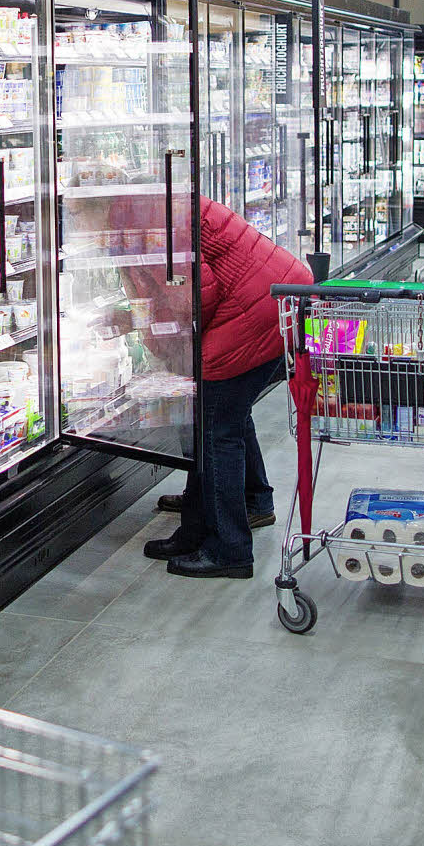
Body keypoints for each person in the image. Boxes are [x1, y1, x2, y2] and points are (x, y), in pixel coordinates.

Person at [143, 198, 312, 579]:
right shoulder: (163, 201)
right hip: (278, 294)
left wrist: (160, 338)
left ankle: (229, 548)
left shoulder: (151, 227)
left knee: (216, 428)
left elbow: (198, 297)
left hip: (255, 310)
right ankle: (238, 508)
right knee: (228, 414)